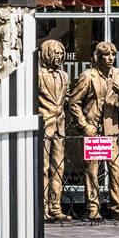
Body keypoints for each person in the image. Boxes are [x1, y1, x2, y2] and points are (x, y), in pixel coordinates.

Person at [68, 41, 119, 220]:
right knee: (92, 171)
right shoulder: (88, 76)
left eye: (113, 54)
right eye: (107, 55)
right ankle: (93, 207)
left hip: (110, 130)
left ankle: (118, 208)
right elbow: (74, 103)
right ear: (98, 57)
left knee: (116, 168)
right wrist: (84, 125)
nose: (111, 58)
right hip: (94, 130)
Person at [38, 39, 71, 222]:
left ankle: (55, 206)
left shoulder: (64, 76)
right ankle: (42, 207)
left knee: (58, 167)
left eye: (60, 54)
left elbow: (66, 97)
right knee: (42, 168)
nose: (58, 57)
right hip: (44, 125)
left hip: (60, 126)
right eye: (55, 53)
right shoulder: (39, 75)